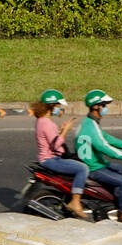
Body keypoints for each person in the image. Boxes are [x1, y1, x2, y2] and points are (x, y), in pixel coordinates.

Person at [74, 89, 122, 223]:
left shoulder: (90, 122)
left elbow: (107, 138)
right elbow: (105, 147)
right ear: (95, 106)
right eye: (103, 105)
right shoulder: (90, 126)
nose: (105, 108)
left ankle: (113, 199)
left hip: (96, 163)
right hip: (93, 167)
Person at [31, 89, 90, 220]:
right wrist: (66, 131)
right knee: (82, 168)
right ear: (51, 106)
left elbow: (51, 139)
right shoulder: (45, 122)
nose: (59, 109)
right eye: (58, 106)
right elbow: (55, 145)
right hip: (51, 159)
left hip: (51, 157)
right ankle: (75, 202)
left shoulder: (42, 121)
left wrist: (61, 130)